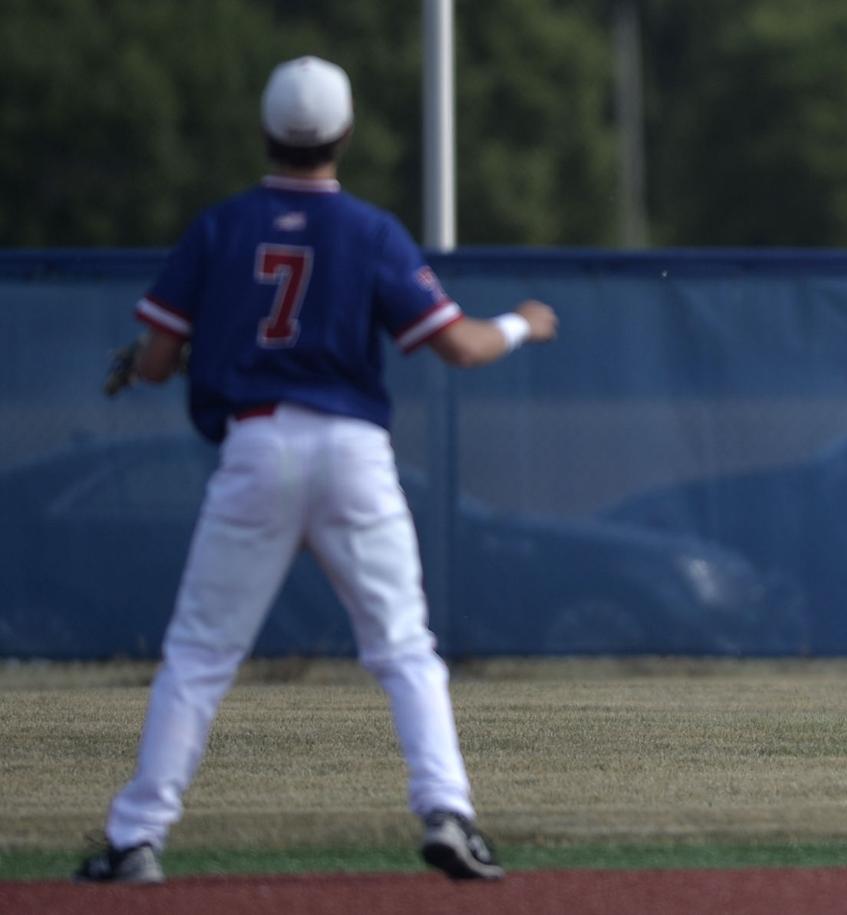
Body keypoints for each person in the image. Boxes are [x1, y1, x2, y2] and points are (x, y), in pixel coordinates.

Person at [75, 55, 557, 884]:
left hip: (256, 446)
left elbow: (156, 359)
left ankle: (134, 840)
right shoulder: (370, 231)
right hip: (351, 452)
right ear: (344, 134)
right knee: (404, 646)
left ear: (266, 131)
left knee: (197, 654)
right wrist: (521, 322)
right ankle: (448, 813)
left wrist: (166, 356)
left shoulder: (220, 227)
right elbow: (458, 345)